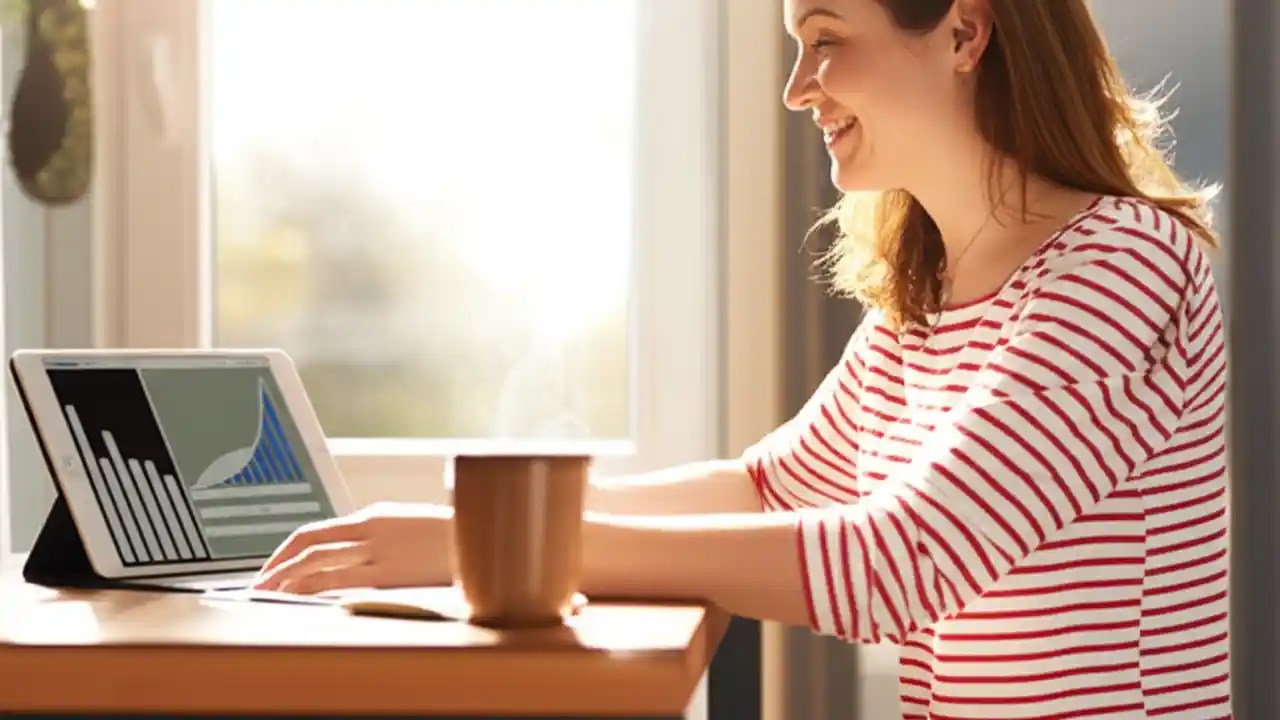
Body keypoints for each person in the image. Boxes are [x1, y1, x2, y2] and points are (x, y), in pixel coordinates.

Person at [254, 1, 1230, 717]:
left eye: (826, 40)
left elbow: (898, 564)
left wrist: (494, 559)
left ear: (964, 34)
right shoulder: (929, 295)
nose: (797, 88)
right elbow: (768, 490)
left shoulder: (1120, 264)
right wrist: (468, 524)